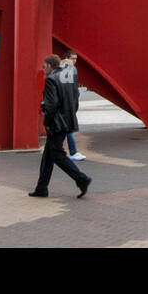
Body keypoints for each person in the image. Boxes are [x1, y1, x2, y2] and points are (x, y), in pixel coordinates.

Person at [29, 55, 92, 199]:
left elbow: (51, 105)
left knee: (57, 154)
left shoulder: (51, 79)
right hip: (67, 119)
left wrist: (47, 123)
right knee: (48, 155)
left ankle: (81, 178)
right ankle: (41, 188)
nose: (43, 69)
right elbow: (76, 98)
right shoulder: (69, 78)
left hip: (56, 123)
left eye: (44, 66)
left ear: (51, 66)